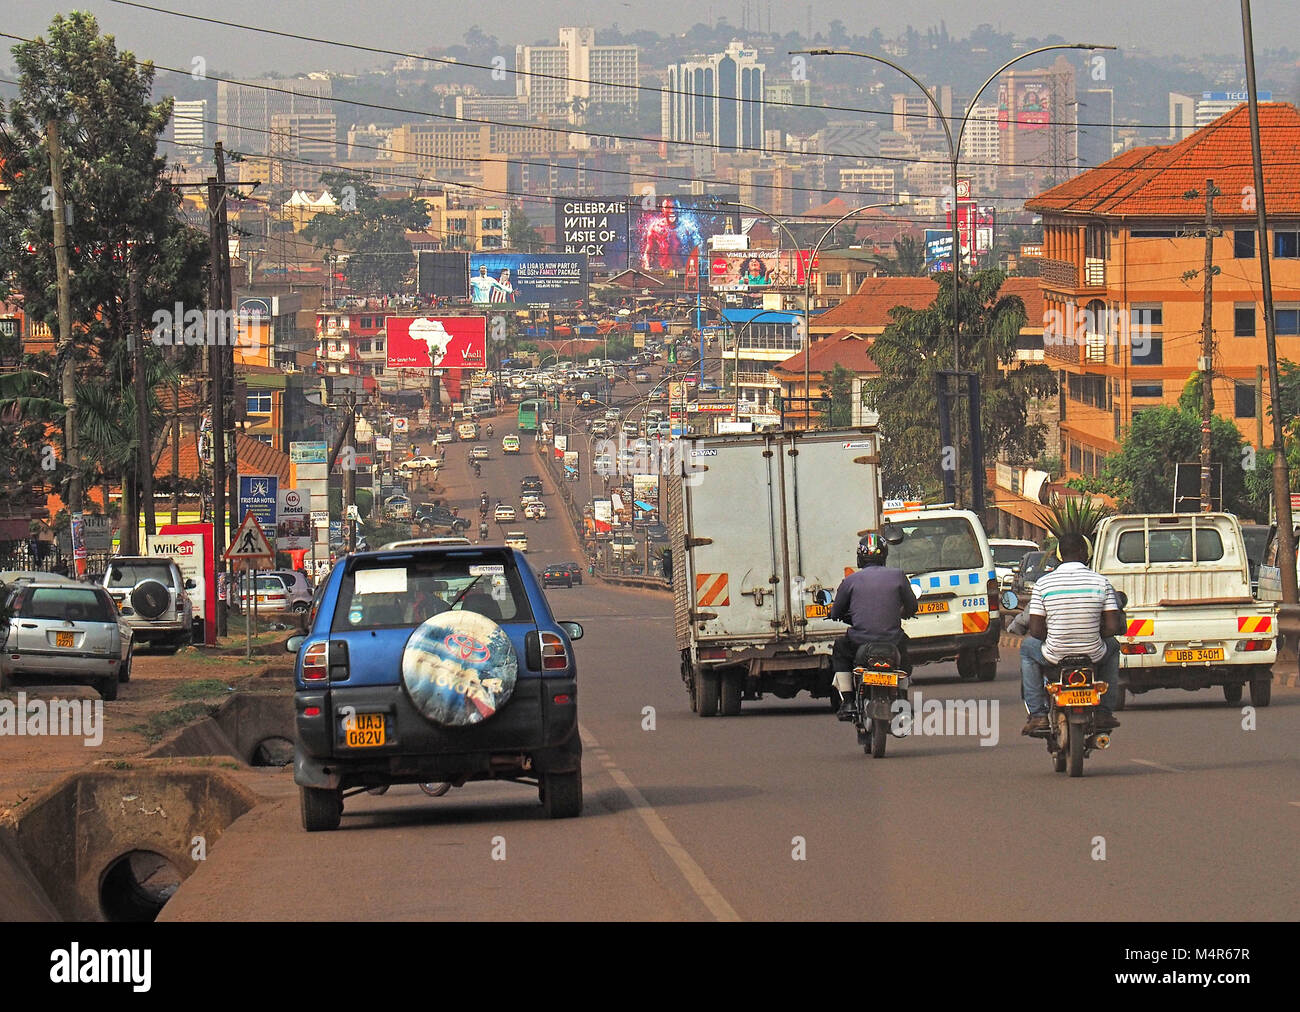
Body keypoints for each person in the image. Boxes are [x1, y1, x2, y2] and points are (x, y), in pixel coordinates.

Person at [1020, 532, 1124, 736]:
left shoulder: (1043, 584)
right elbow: (1112, 628)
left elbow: (1036, 631)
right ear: (1085, 553)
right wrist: (1092, 632)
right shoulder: (1101, 582)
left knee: (1026, 649)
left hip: (1054, 655)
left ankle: (1038, 714)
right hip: (1093, 653)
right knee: (1114, 647)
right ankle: (1104, 712)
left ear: (1060, 555)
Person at [828, 533, 919, 721]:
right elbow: (912, 606)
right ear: (884, 555)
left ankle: (848, 701)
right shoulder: (898, 576)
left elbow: (836, 610)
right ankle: (902, 699)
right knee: (904, 659)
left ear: (860, 557)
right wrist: (905, 612)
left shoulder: (851, 581)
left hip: (859, 641)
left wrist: (836, 615)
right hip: (892, 641)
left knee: (840, 649)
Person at [640, 196, 705, 272]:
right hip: (663, 273)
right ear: (663, 210)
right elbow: (648, 253)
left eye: (675, 207)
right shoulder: (655, 228)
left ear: (680, 209)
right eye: (668, 207)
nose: (672, 210)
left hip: (684, 273)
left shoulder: (688, 229)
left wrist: (695, 268)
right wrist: (648, 267)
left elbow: (699, 250)